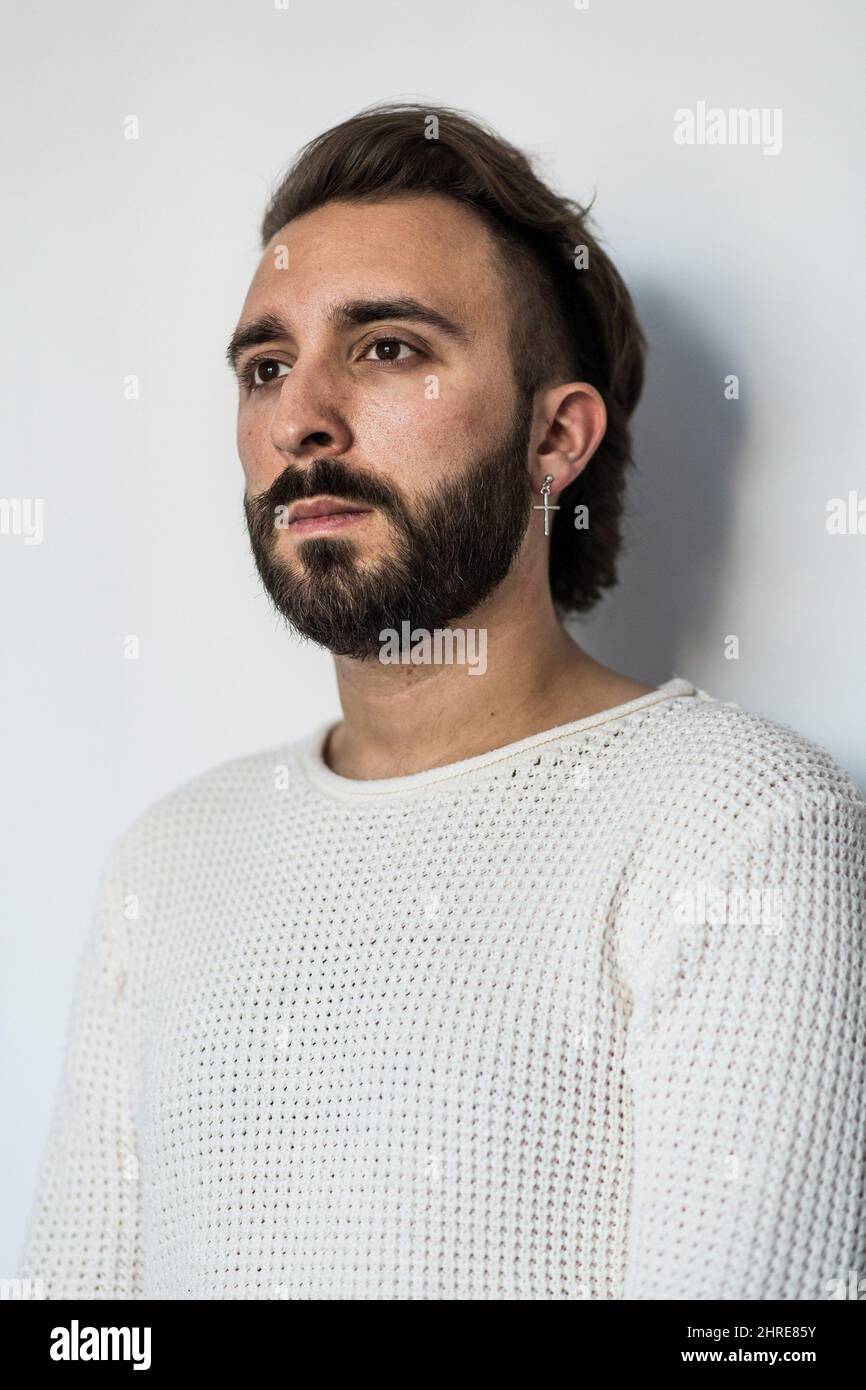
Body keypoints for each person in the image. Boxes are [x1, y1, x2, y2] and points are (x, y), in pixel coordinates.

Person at [19, 103, 866, 1301]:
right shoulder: (167, 865)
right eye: (266, 367)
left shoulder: (737, 827)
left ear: (553, 437)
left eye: (387, 349)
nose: (299, 415)